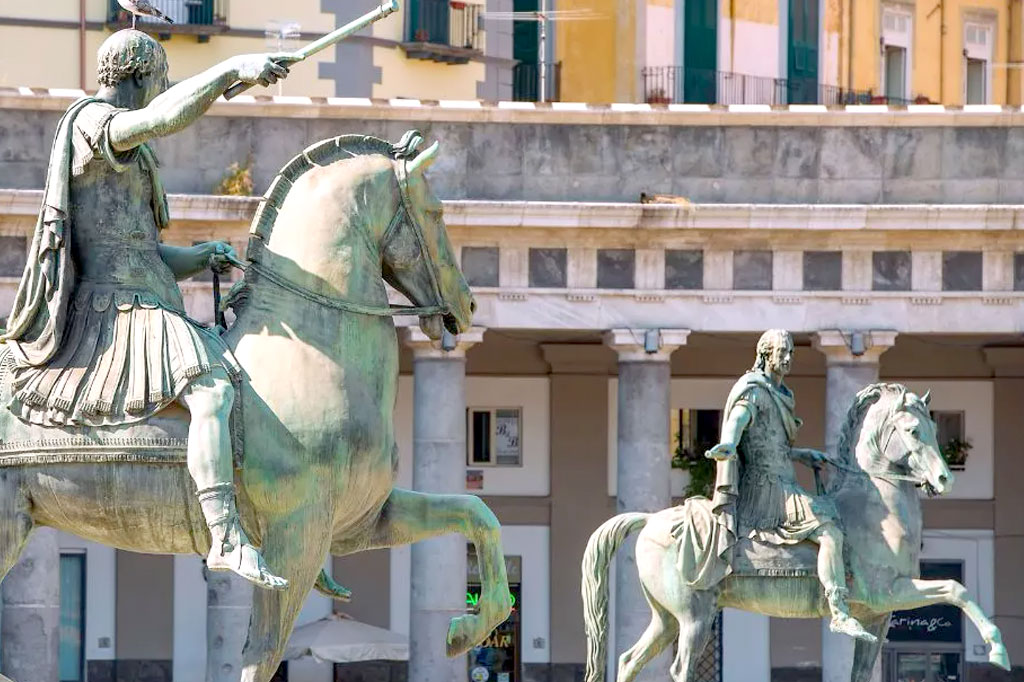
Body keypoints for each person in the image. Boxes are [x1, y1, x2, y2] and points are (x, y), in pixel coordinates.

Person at [0, 30, 297, 590]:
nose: (164, 89)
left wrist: (201, 255)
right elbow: (162, 118)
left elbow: (144, 253)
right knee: (212, 390)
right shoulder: (92, 124)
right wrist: (232, 67)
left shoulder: (132, 155)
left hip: (147, 295)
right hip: (115, 311)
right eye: (160, 79)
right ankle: (226, 536)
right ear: (136, 77)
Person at [705, 329, 876, 642]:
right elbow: (738, 420)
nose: (787, 359)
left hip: (785, 479)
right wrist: (728, 443)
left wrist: (801, 454)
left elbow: (775, 447)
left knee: (834, 520)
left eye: (791, 353)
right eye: (781, 353)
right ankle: (838, 611)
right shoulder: (754, 390)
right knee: (829, 532)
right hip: (766, 488)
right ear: (766, 354)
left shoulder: (784, 395)